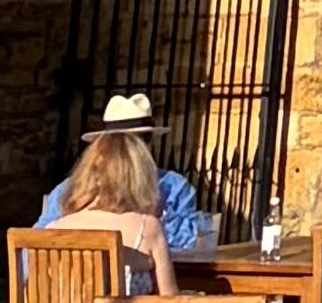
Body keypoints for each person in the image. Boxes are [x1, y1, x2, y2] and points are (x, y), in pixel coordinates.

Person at [37, 100, 203, 290]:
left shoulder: (174, 187)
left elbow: (33, 257)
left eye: (144, 138)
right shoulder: (147, 226)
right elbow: (170, 301)